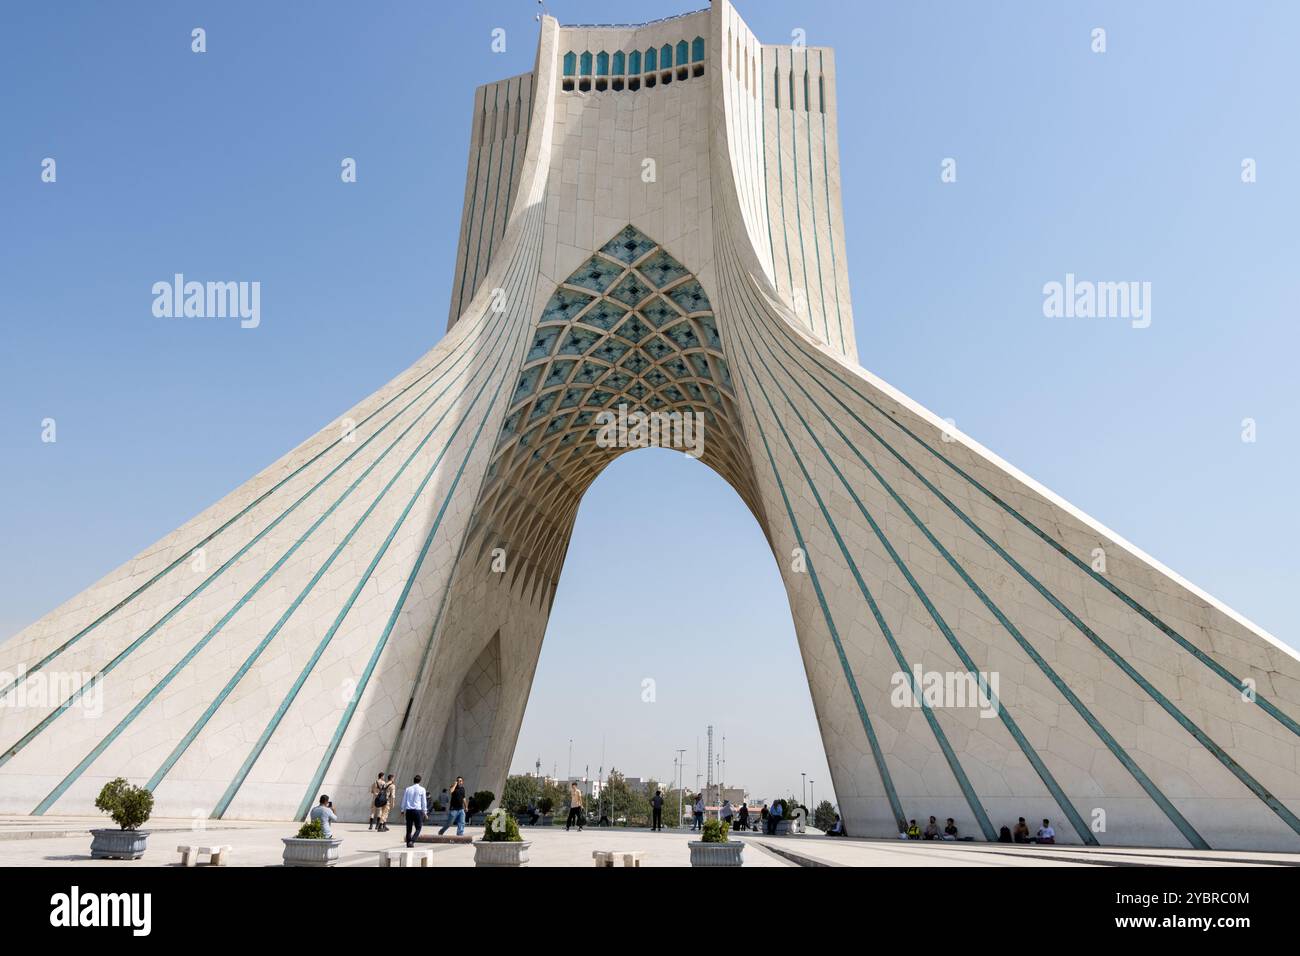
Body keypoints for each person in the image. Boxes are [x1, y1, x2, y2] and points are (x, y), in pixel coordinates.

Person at [401, 775, 428, 848]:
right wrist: (425, 812)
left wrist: (402, 810)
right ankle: (412, 841)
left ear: (414, 780)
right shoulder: (422, 789)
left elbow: (404, 799)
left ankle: (408, 843)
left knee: (408, 828)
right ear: (420, 781)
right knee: (418, 828)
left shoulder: (408, 789)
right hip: (417, 811)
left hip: (409, 810)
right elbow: (424, 802)